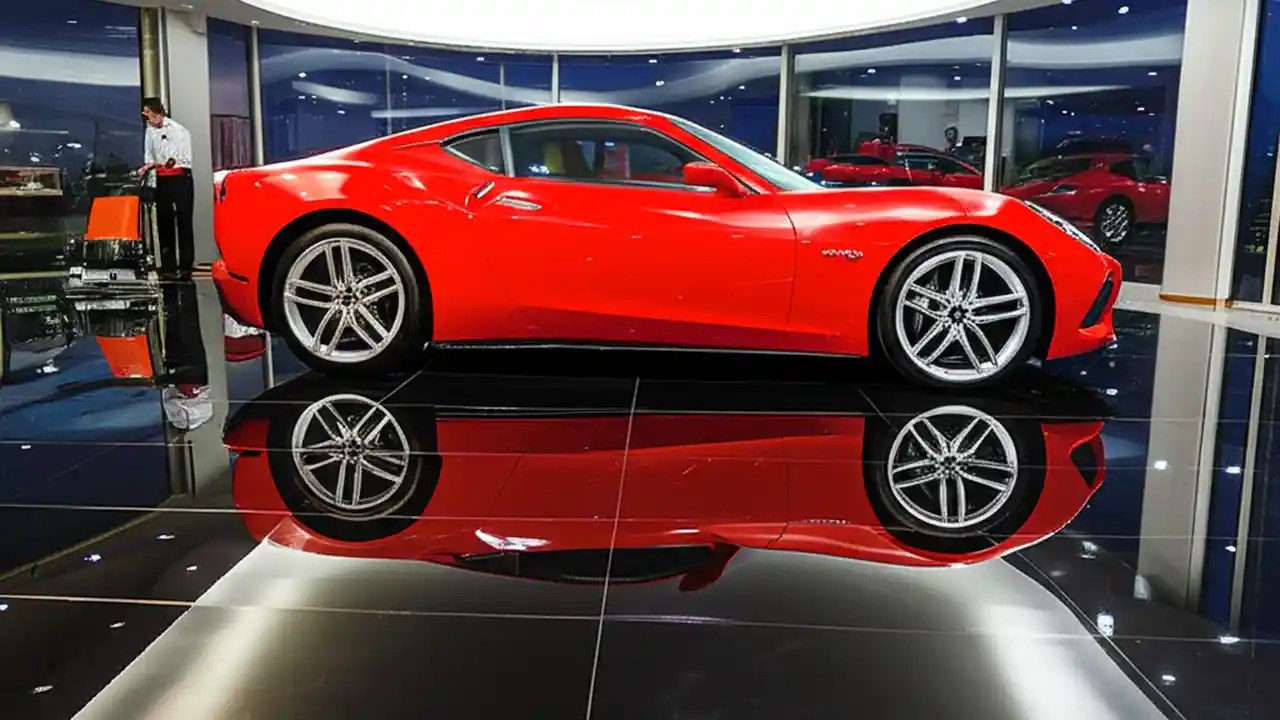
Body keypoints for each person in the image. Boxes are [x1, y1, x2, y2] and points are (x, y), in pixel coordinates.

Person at [138, 98, 194, 278]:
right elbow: (149, 155)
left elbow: (179, 160)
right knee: (165, 221)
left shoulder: (179, 131)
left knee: (183, 221)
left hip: (180, 179)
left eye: (151, 114)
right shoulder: (150, 131)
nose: (149, 118)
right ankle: (168, 265)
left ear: (158, 112)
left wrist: (159, 163)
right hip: (163, 180)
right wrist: (150, 166)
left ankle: (185, 264)